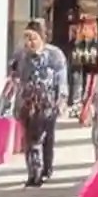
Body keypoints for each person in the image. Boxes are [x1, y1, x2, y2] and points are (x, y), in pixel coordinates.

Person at [12, 23, 69, 187]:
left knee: (46, 138)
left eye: (33, 38)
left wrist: (61, 99)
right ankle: (34, 173)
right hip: (27, 103)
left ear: (41, 37)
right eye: (26, 37)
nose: (29, 42)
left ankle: (45, 168)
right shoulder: (21, 55)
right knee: (31, 139)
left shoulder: (54, 55)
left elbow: (61, 78)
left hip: (47, 102)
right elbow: (15, 76)